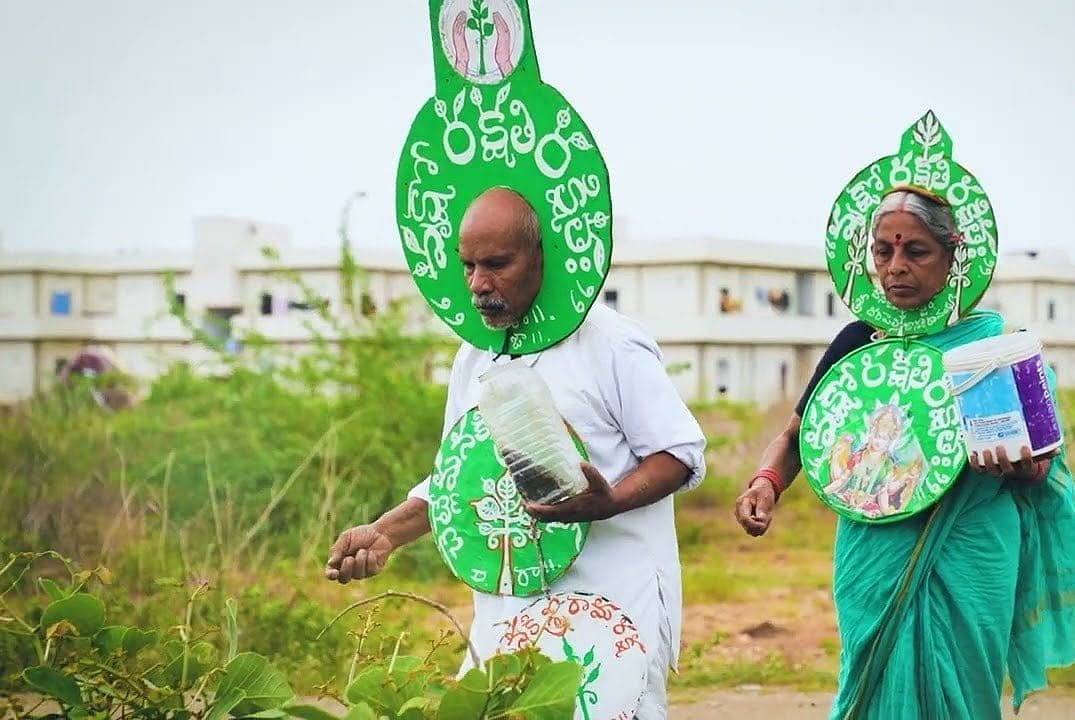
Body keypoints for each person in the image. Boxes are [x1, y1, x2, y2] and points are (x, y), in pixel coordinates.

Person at [326, 187, 706, 719]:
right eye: (469, 266)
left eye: (497, 264)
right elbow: (459, 479)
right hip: (508, 604)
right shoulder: (474, 356)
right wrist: (385, 533)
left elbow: (680, 452)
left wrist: (610, 501)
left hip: (610, 600)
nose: (479, 284)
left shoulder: (610, 344)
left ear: (544, 254)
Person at [734, 186, 1075, 718]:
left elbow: (1042, 467)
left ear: (953, 254)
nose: (895, 266)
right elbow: (798, 436)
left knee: (965, 689)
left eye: (916, 252)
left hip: (971, 542)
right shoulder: (856, 344)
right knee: (869, 679)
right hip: (873, 547)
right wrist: (766, 482)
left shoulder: (995, 346)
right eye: (882, 251)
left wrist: (1019, 464)